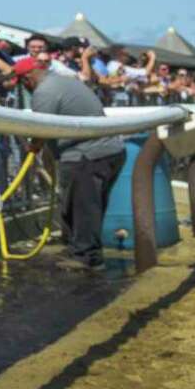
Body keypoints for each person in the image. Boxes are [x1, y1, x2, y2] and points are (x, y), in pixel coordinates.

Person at [10, 56, 125, 270]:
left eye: (22, 82)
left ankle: (86, 258)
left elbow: (41, 127)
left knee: (83, 209)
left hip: (86, 155)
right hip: (109, 151)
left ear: (27, 78)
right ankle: (79, 250)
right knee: (84, 207)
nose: (23, 87)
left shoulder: (44, 92)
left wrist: (33, 146)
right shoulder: (68, 81)